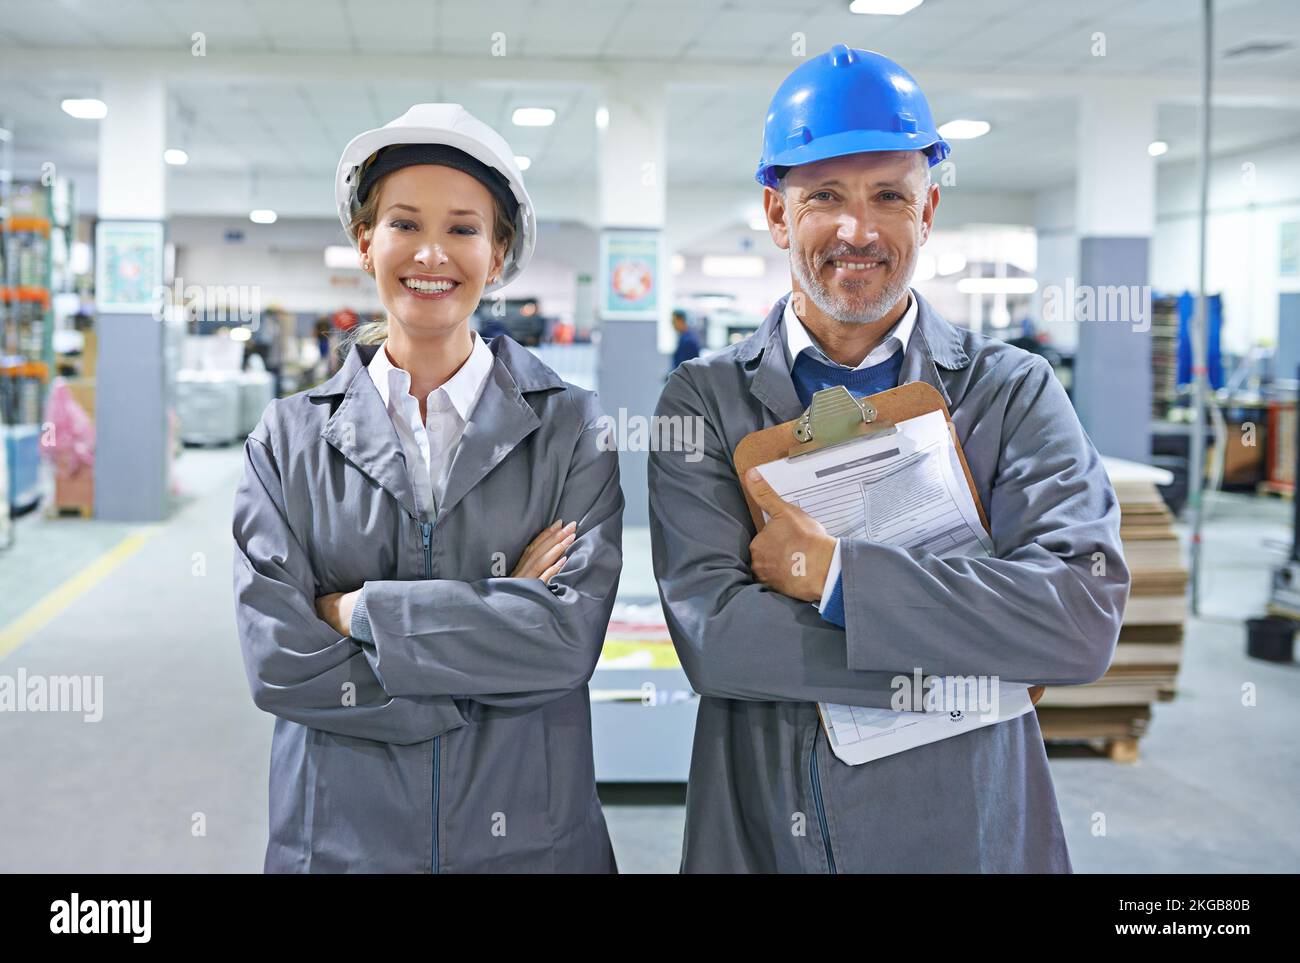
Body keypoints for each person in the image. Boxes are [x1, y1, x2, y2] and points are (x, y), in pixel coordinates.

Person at [648, 46, 1129, 873]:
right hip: (770, 822)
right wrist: (989, 659)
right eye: (824, 196)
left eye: (889, 197)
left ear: (928, 210)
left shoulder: (1011, 392)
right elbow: (721, 642)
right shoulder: (704, 402)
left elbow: (1078, 618)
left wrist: (839, 579)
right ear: (776, 212)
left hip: (969, 821)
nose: (857, 230)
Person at [232, 103, 623, 873]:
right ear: (364, 240)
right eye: (405, 223)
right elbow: (280, 660)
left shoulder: (574, 428)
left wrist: (354, 611)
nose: (432, 253)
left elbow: (564, 643)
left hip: (530, 841)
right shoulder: (284, 440)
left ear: (499, 249)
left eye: (465, 228)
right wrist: (491, 643)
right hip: (342, 841)